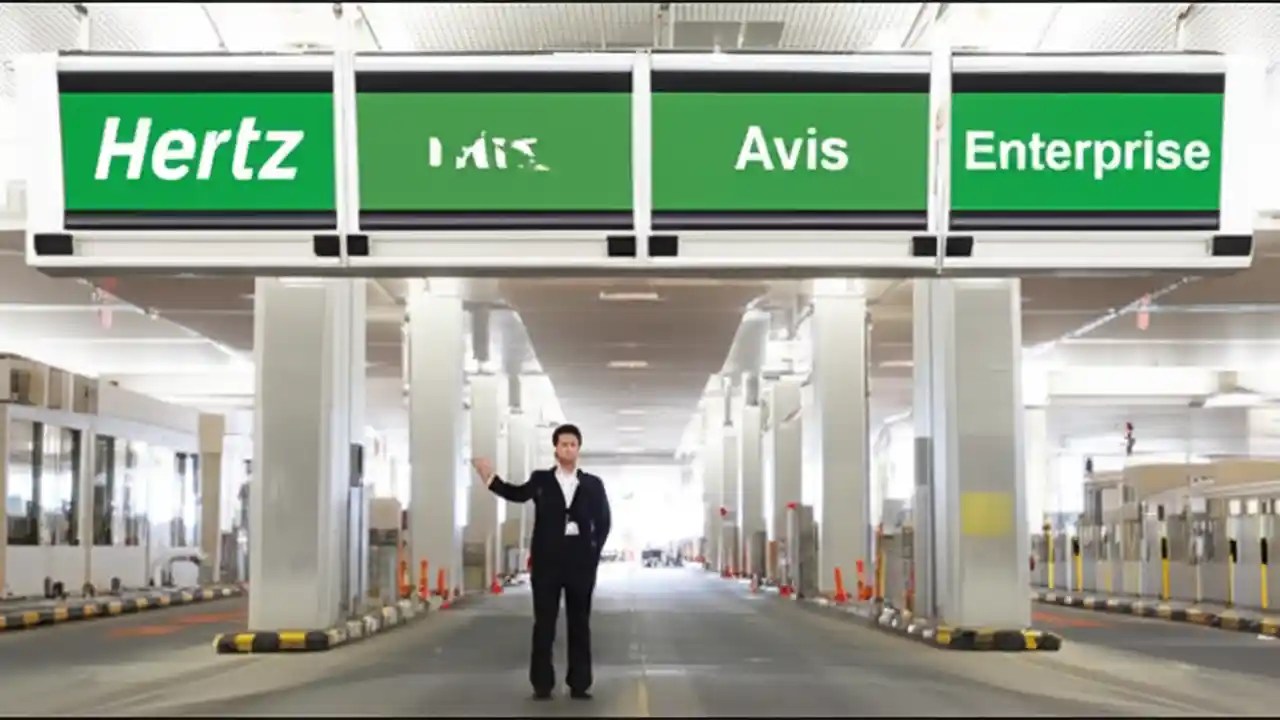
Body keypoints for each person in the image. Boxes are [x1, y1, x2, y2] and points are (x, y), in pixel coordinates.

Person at [471, 423, 611, 701]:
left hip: (580, 565)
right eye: (563, 444)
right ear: (556, 449)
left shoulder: (593, 484)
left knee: (579, 623)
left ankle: (580, 683)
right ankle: (542, 684)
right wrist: (489, 478)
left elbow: (604, 521)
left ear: (578, 449)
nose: (568, 448)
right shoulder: (541, 481)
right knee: (544, 623)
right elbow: (517, 493)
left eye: (573, 444)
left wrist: (593, 555)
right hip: (547, 563)